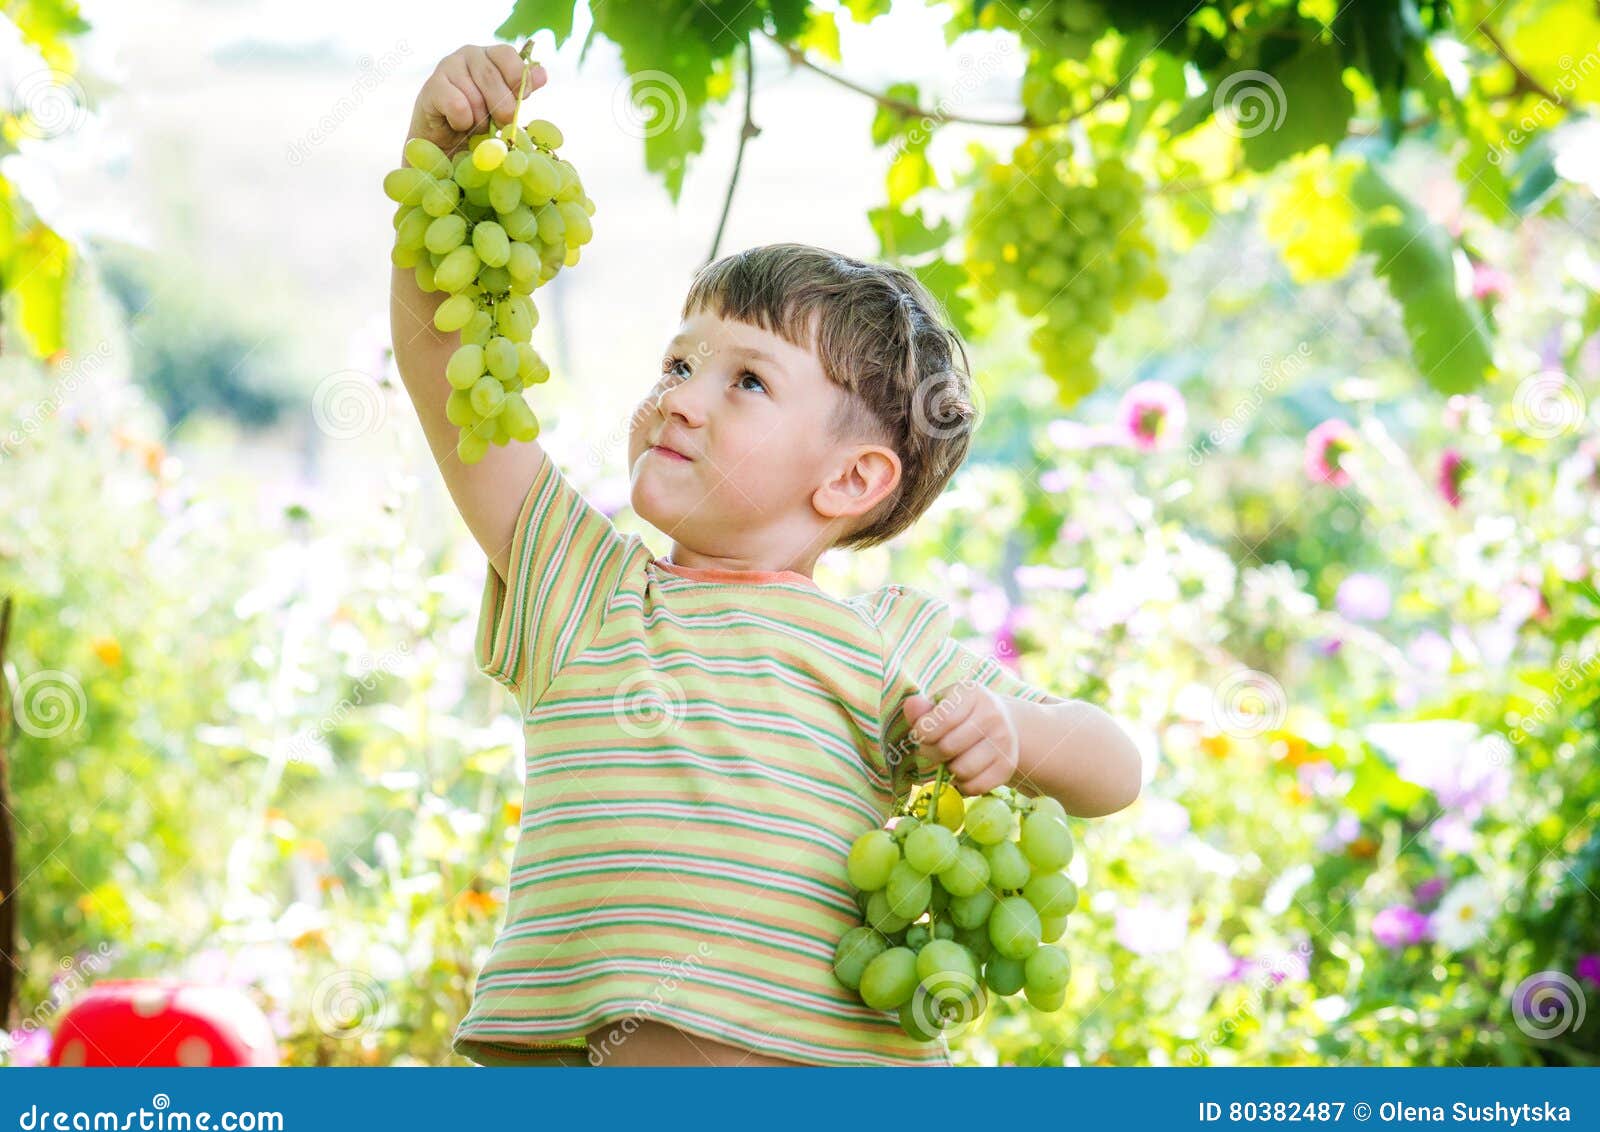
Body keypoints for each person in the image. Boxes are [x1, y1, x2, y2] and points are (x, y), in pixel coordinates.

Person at [389, 44, 1143, 1067]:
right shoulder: (585, 586)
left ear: (848, 482)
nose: (681, 394)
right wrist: (442, 160)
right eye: (679, 360)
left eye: (746, 381)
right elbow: (449, 377)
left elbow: (1114, 767)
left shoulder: (892, 647)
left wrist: (1012, 731)